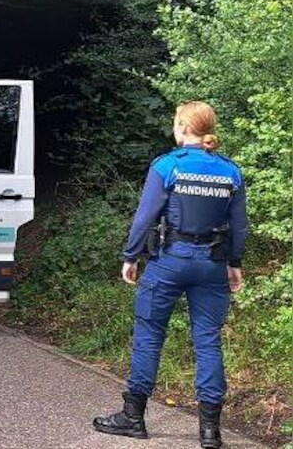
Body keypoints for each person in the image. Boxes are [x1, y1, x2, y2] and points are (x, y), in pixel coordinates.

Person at [93, 101, 247, 449]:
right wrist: (234, 263)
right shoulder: (230, 171)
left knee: (149, 333)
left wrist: (130, 256)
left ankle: (133, 418)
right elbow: (239, 224)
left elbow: (145, 217)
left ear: (181, 126)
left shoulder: (167, 166)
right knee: (207, 339)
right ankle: (210, 431)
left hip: (169, 261)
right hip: (212, 264)